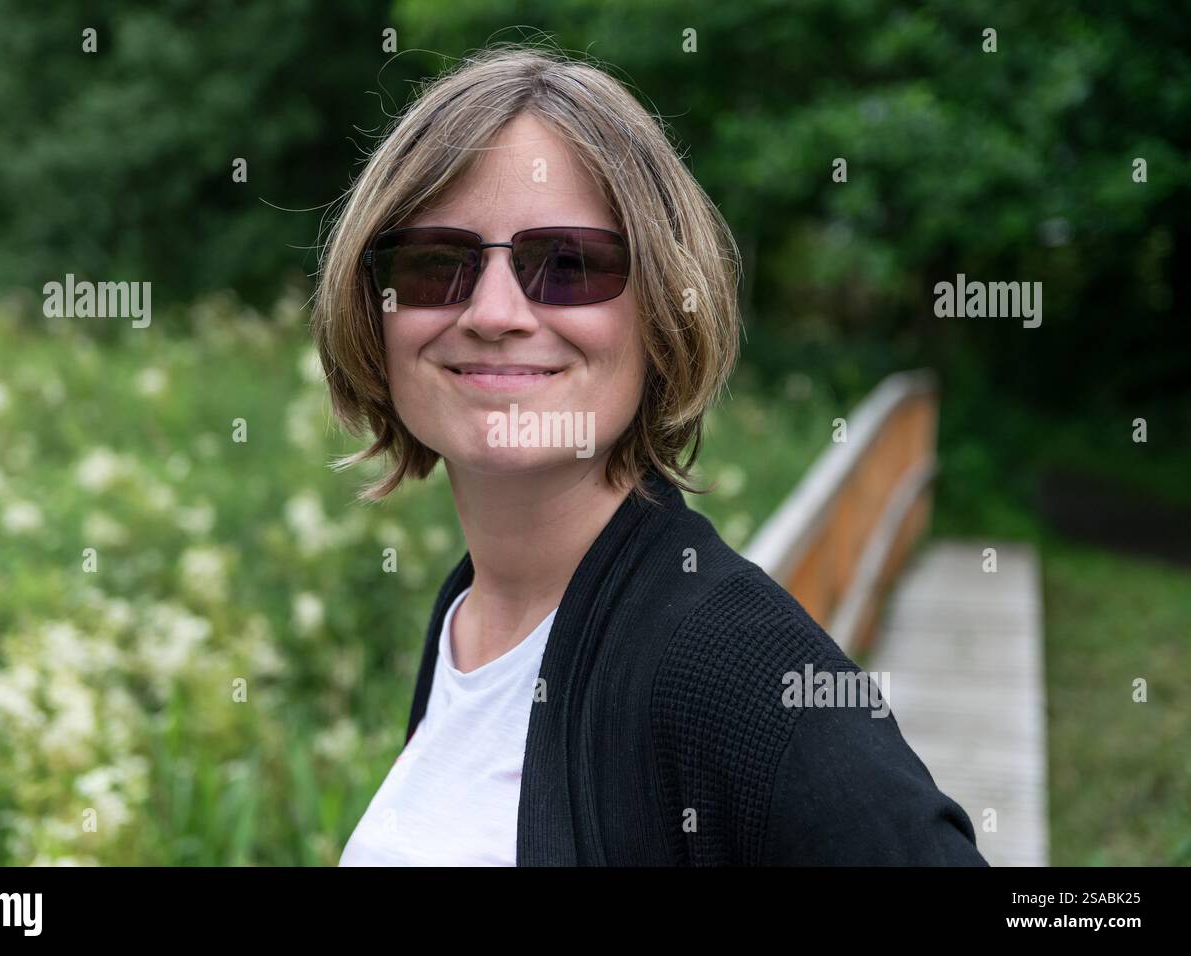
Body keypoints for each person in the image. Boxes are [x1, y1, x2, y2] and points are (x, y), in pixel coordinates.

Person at [313, 44, 988, 866]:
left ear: (663, 307)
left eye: (566, 265)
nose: (494, 311)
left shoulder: (732, 668)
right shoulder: (468, 622)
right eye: (435, 263)